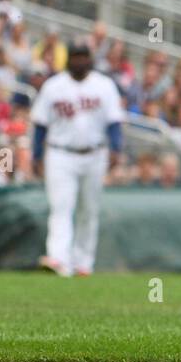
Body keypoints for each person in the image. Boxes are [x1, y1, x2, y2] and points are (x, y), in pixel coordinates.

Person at [30, 43, 125, 277]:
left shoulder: (104, 85)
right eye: (75, 56)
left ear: (90, 59)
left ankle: (83, 263)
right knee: (61, 207)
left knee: (89, 210)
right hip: (60, 153)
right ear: (68, 59)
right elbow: (40, 124)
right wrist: (36, 155)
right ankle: (58, 259)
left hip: (95, 153)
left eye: (83, 56)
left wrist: (116, 149)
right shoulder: (53, 86)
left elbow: (114, 121)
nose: (79, 61)